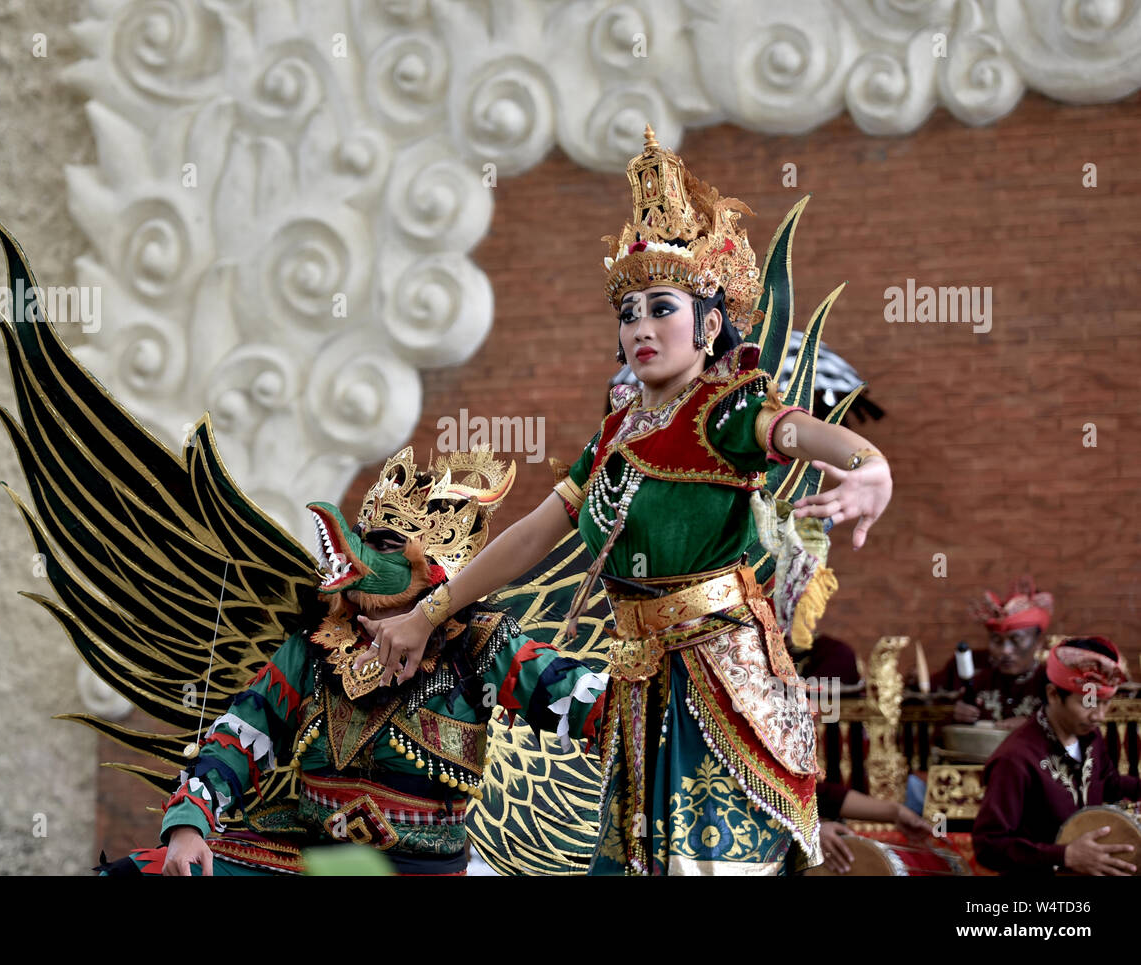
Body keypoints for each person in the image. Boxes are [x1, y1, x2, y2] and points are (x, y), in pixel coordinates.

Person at [359, 126, 893, 875]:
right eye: (629, 311)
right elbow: (528, 539)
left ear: (709, 325)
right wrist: (427, 611)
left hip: (721, 683)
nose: (641, 326)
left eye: (662, 307)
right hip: (640, 683)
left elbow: (808, 437)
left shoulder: (728, 409)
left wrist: (870, 469)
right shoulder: (615, 435)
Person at [91, 447, 609, 876]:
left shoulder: (477, 642)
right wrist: (189, 824)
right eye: (362, 536)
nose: (358, 550)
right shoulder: (314, 643)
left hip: (417, 869)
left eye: (384, 543)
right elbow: (238, 735)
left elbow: (586, 701)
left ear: (435, 566)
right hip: (311, 857)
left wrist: (661, 671)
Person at [972, 636, 1140, 875]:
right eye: (1088, 703)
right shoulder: (1016, 759)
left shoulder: (1090, 739)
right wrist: (1065, 855)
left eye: (1106, 703)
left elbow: (1110, 785)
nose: (1099, 716)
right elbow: (988, 846)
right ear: (1053, 694)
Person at [952, 580, 1052, 729]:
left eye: (1015, 639)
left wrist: (1033, 725)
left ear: (1038, 642)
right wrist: (957, 716)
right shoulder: (979, 683)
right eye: (997, 641)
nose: (1005, 650)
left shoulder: (1052, 684)